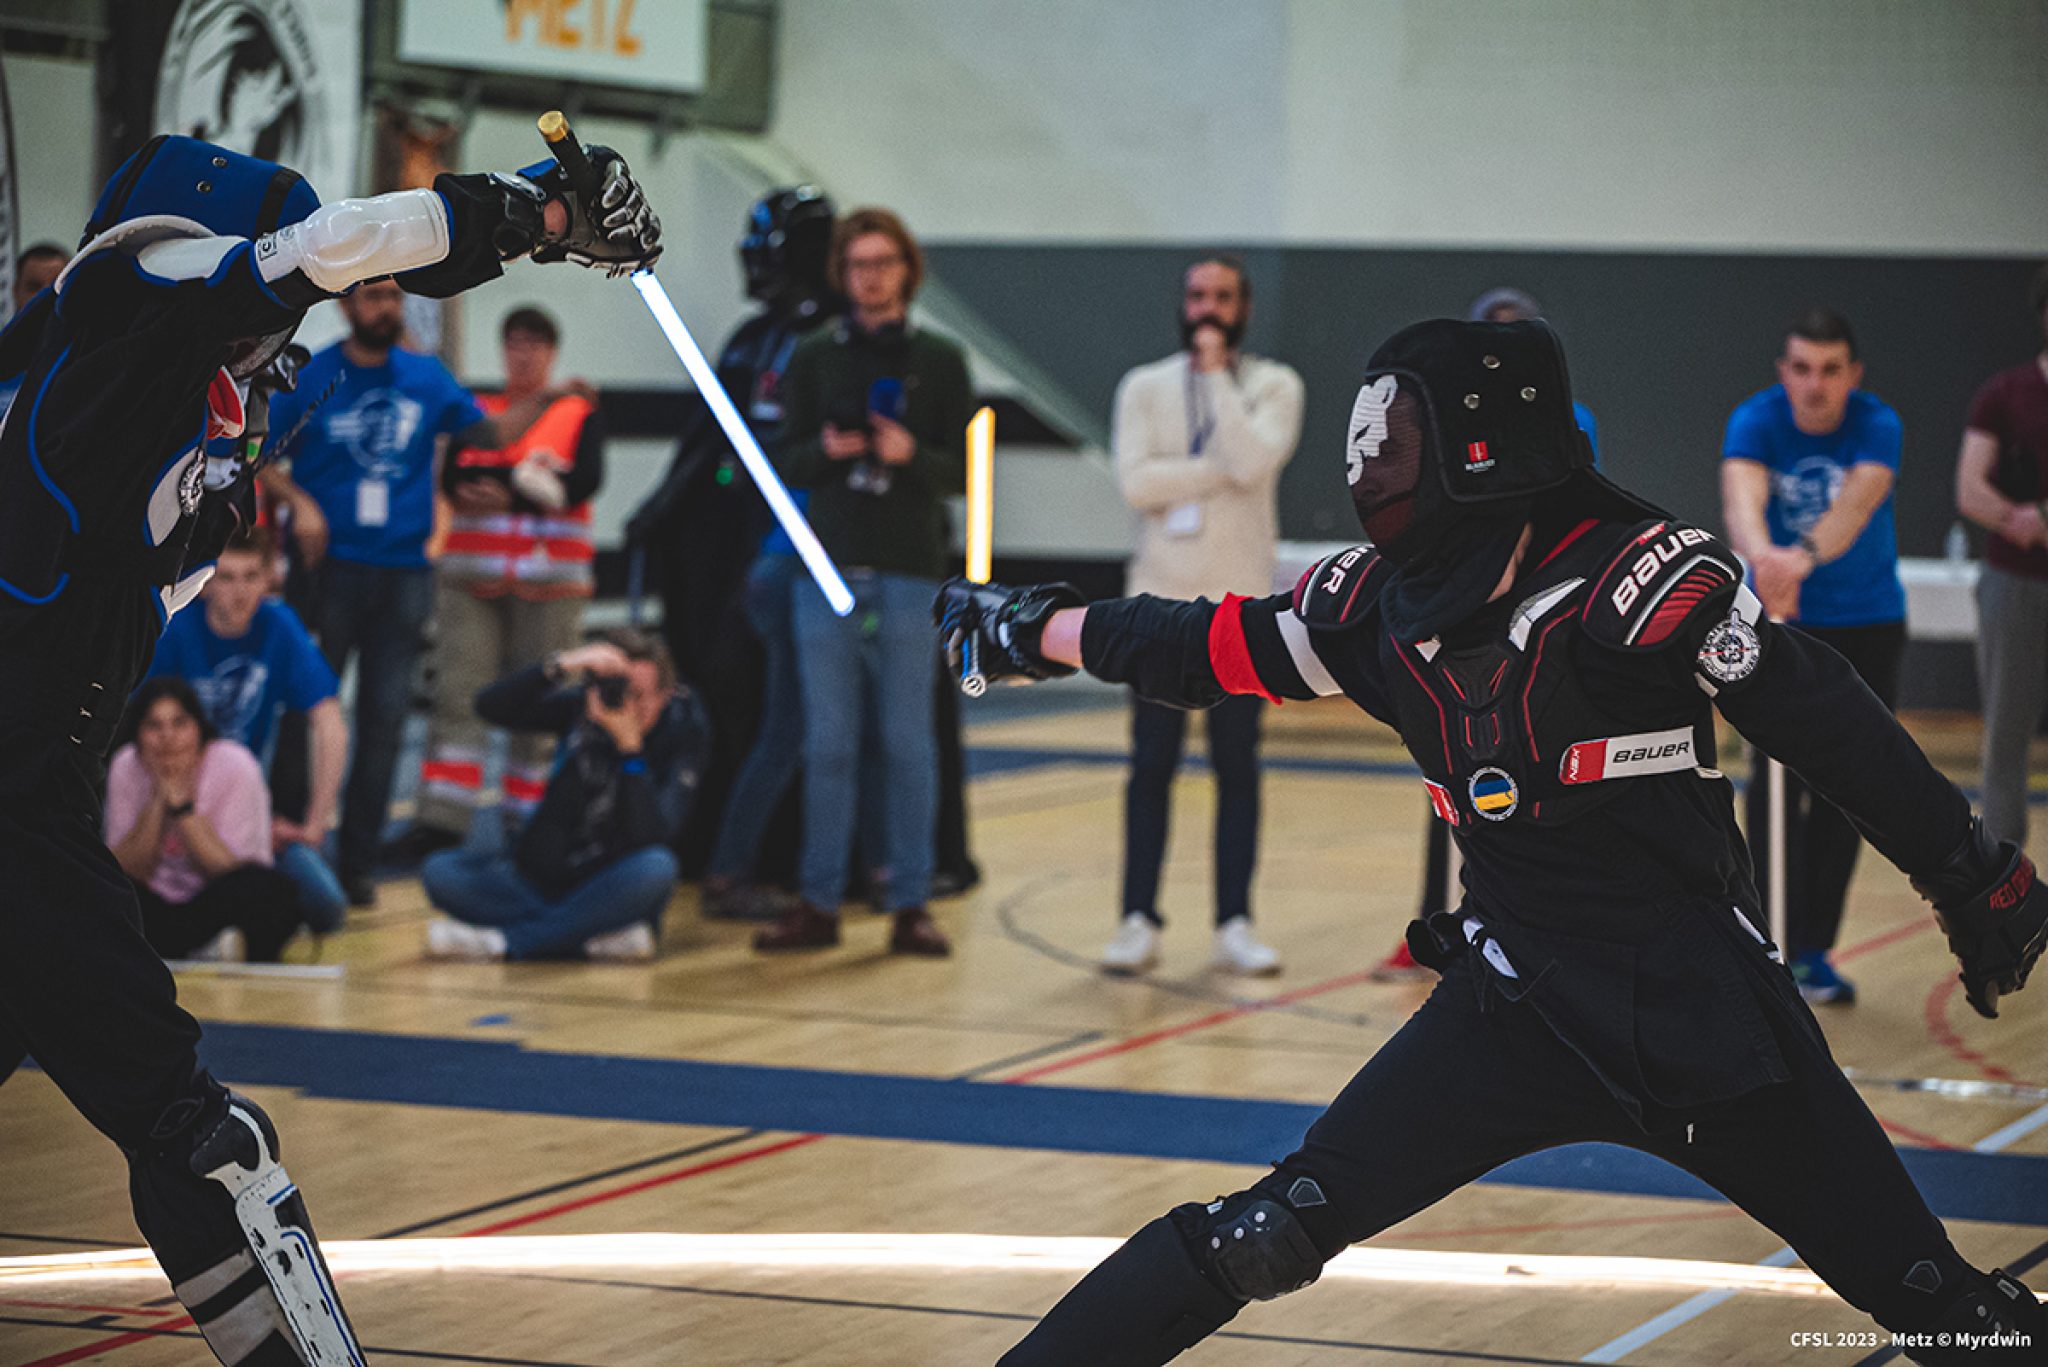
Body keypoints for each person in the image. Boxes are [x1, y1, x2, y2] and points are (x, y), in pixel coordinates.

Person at [936, 317, 2048, 1367]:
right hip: (1512, 1004)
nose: (1373, 473)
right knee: (1262, 1235)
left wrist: (1972, 874)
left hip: (1704, 1018)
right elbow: (1205, 643)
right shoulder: (1376, 610)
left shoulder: (1642, 581)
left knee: (1936, 1302)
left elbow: (1828, 721)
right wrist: (1035, 628)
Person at [0, 129, 658, 1364]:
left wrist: (237, 451)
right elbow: (330, 249)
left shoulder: (109, 391)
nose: (271, 354)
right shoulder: (131, 292)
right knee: (205, 1142)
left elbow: (148, 557)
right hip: (17, 797)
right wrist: (539, 215)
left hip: (38, 785)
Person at [261, 277, 575, 906]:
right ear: (346, 304)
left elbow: (491, 435)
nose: (386, 309)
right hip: (328, 572)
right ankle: (285, 850)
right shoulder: (315, 375)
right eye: (373, 297)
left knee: (384, 719)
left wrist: (548, 400)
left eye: (393, 297)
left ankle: (356, 866)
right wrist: (299, 503)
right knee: (305, 712)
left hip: (403, 572)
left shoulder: (425, 377)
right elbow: (255, 452)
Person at [755, 206, 969, 956]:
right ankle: (819, 900)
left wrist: (913, 455)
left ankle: (911, 900)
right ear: (842, 274)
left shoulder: (941, 359)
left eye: (883, 263)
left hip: (911, 565)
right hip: (828, 561)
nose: (871, 278)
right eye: (858, 265)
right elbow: (783, 460)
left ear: (907, 270)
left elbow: (964, 471)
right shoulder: (815, 355)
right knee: (829, 742)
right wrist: (830, 449)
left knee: (908, 742)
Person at [1382, 284, 1607, 984]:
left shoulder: (1570, 422)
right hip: (1458, 624)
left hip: (1543, 631)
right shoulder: (1436, 421)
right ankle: (1436, 925)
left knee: (1540, 789)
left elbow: (1583, 515)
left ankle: (1547, 932)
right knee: (1449, 784)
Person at [628, 186, 841, 914]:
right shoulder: (754, 338)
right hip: (737, 549)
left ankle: (795, 859)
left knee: (800, 712)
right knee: (732, 692)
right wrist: (663, 507)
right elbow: (709, 436)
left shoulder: (836, 339)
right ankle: (716, 845)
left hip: (808, 545)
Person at [1102, 255, 1303, 977]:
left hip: (1241, 608)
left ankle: (1233, 922)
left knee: (1237, 767)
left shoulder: (1275, 385)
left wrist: (1216, 379)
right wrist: (1215, 471)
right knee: (1150, 764)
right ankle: (1136, 918)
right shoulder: (1144, 386)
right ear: (1181, 303)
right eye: (1197, 296)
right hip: (1158, 604)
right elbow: (1136, 483)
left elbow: (1253, 463)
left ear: (1243, 307)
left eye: (1222, 297)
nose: (1207, 309)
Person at [1722, 308, 1906, 1006]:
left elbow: (1856, 505)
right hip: (1780, 624)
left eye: (1830, 370)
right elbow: (1742, 502)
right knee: (1773, 785)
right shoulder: (1756, 419)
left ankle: (1813, 951)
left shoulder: (1877, 424)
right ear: (1784, 371)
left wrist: (1796, 557)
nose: (1815, 385)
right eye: (1801, 369)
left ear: (1852, 374)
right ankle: (1765, 938)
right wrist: (1763, 558)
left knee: (1850, 791)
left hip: (1865, 623)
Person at [410, 305, 605, 852]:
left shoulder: (577, 412)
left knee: (541, 708)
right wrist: (525, 485)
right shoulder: (477, 409)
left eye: (535, 344)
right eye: (514, 343)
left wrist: (505, 490)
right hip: (472, 582)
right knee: (457, 699)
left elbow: (584, 482)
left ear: (552, 353)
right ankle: (441, 820)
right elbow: (457, 473)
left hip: (551, 585)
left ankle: (532, 822)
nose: (524, 355)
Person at [422, 629, 706, 961]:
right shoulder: (586, 708)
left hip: (609, 884)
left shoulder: (684, 729)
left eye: (639, 696)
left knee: (657, 868)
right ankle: (587, 938)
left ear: (665, 695)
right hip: (539, 880)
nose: (626, 706)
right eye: (619, 690)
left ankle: (505, 943)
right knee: (440, 871)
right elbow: (488, 707)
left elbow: (653, 834)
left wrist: (630, 751)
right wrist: (562, 664)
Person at [145, 526, 349, 934]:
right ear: (205, 582)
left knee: (326, 906)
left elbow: (330, 724)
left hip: (242, 804)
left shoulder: (279, 625)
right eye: (227, 578)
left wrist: (315, 824)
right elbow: (136, 725)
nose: (239, 592)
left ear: (270, 578)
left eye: (251, 577)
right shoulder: (176, 629)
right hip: (170, 802)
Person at [106, 678, 305, 962]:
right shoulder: (126, 764)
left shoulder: (235, 764)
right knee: (103, 893)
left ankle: (189, 946)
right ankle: (201, 948)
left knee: (274, 892)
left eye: (179, 723)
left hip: (214, 899)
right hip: (154, 906)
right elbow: (122, 869)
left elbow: (232, 871)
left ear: (199, 728)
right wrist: (157, 800)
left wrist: (182, 808)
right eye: (153, 726)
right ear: (137, 734)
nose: (167, 737)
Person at [1955, 264, 2048, 851]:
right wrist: (2021, 520)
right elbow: (1970, 489)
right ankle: (2002, 869)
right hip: (2016, 580)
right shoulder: (2006, 394)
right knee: (2007, 730)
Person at [0, 242, 69, 414]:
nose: (43, 299)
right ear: (15, 292)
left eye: (55, 287)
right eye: (33, 287)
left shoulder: (87, 361)